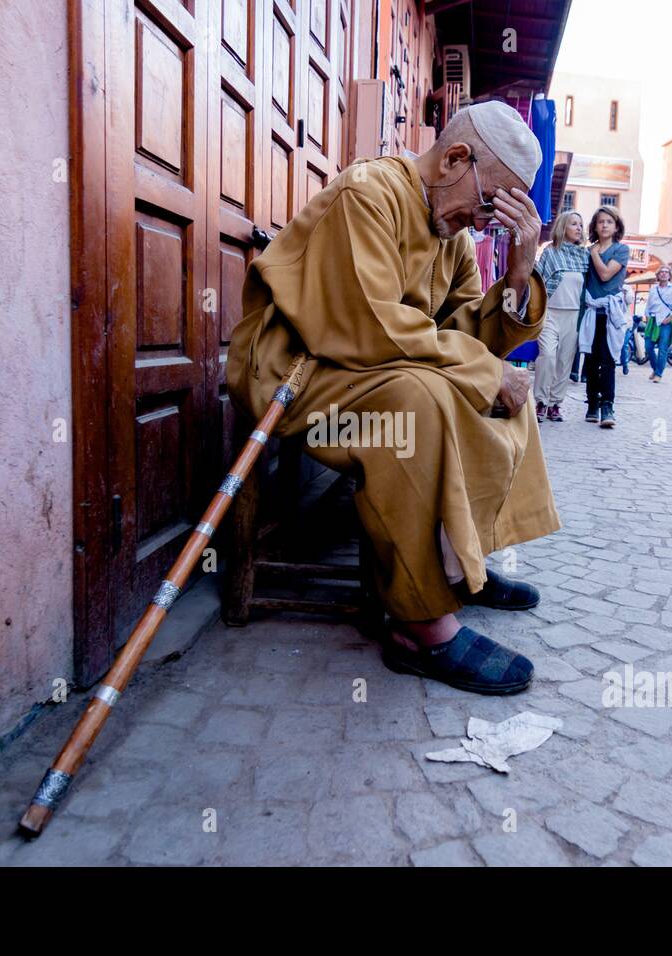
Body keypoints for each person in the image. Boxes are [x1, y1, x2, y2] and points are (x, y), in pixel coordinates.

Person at [228, 101, 560, 696]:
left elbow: (464, 334)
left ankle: (463, 568)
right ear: (456, 158)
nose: (482, 226)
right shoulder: (370, 193)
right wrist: (483, 371)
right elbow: (367, 325)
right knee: (420, 398)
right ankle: (420, 623)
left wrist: (517, 274)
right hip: (300, 378)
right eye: (489, 207)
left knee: (504, 394)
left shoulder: (448, 231)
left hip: (367, 369)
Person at [578, 206, 631, 428]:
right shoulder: (586, 250)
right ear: (595, 226)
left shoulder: (621, 250)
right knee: (590, 360)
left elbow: (605, 273)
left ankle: (607, 406)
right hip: (591, 311)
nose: (605, 225)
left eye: (609, 221)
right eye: (601, 222)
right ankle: (592, 404)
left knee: (608, 361)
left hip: (611, 314)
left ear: (616, 226)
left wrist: (593, 253)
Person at [534, 211, 589, 422]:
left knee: (565, 362)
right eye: (574, 224)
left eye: (580, 224)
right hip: (550, 313)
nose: (578, 228)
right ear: (563, 227)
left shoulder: (584, 256)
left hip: (574, 316)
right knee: (547, 356)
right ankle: (540, 401)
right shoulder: (550, 252)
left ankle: (555, 404)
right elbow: (538, 280)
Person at [643, 266, 672, 382]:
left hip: (666, 321)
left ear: (669, 275)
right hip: (653, 321)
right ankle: (655, 369)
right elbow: (648, 306)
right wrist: (647, 317)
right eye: (661, 272)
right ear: (658, 275)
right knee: (648, 347)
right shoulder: (653, 289)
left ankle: (659, 374)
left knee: (663, 349)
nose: (664, 274)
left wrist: (670, 318)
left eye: (666, 272)